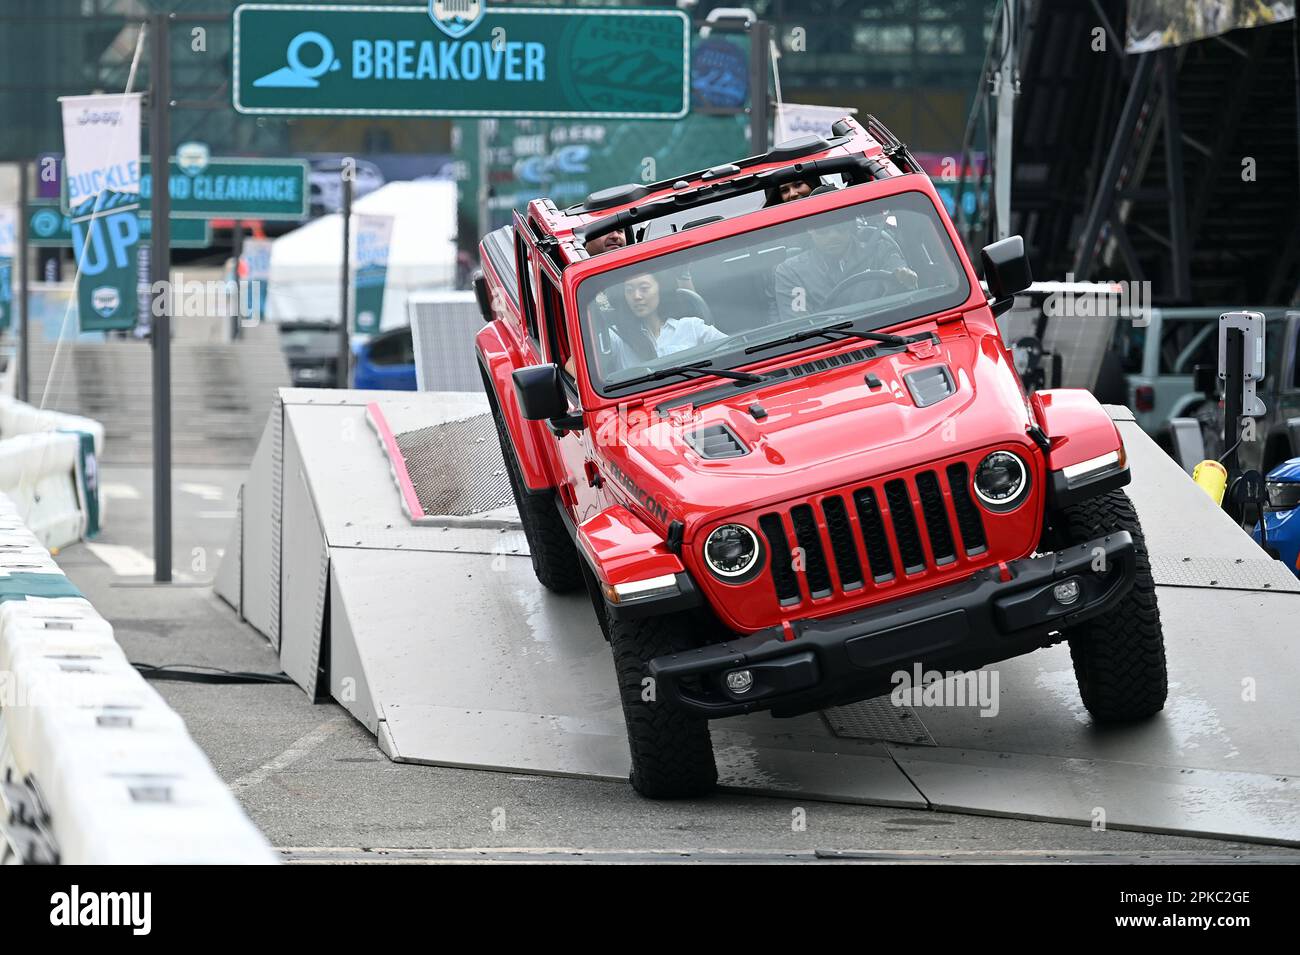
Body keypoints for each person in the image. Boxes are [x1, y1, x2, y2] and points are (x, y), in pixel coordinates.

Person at [773, 198, 918, 321]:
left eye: (840, 226)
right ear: (810, 229)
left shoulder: (881, 250)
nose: (833, 235)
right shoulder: (791, 271)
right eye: (823, 228)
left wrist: (903, 279)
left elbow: (899, 273)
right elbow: (798, 323)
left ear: (851, 225)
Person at [605, 270, 726, 374]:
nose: (636, 296)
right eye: (629, 290)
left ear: (660, 289)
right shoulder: (616, 337)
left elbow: (733, 350)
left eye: (644, 288)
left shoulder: (692, 327)